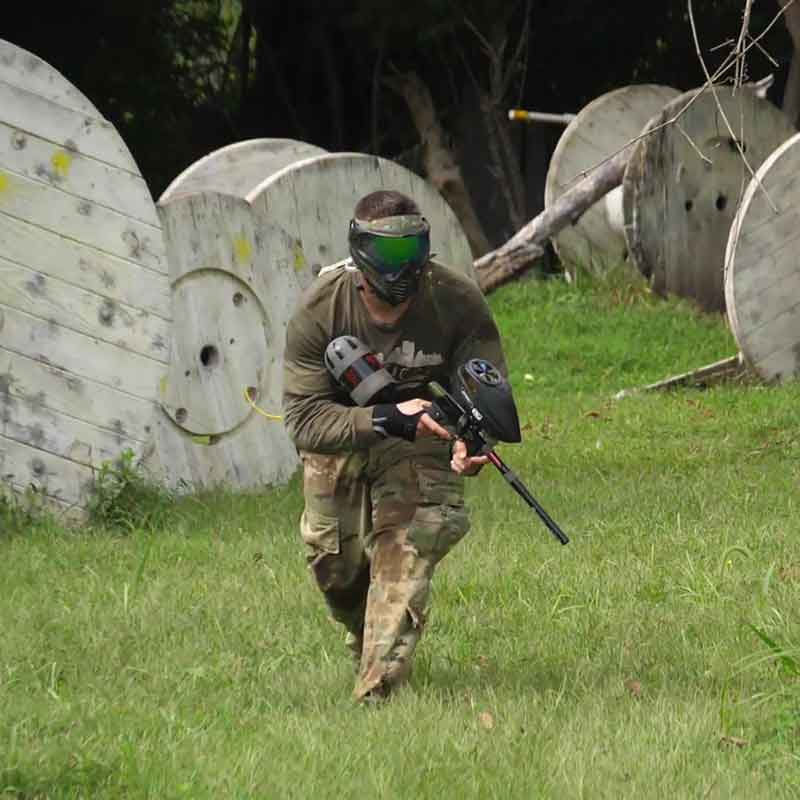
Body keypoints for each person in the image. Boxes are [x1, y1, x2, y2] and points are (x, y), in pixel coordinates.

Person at [282, 189, 508, 702]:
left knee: (405, 551)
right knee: (334, 566)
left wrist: (473, 445)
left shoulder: (457, 301)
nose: (404, 268)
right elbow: (304, 421)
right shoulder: (320, 309)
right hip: (343, 434)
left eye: (415, 251)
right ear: (361, 253)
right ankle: (365, 633)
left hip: (423, 441)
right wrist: (387, 417)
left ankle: (375, 696)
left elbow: (488, 392)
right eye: (390, 255)